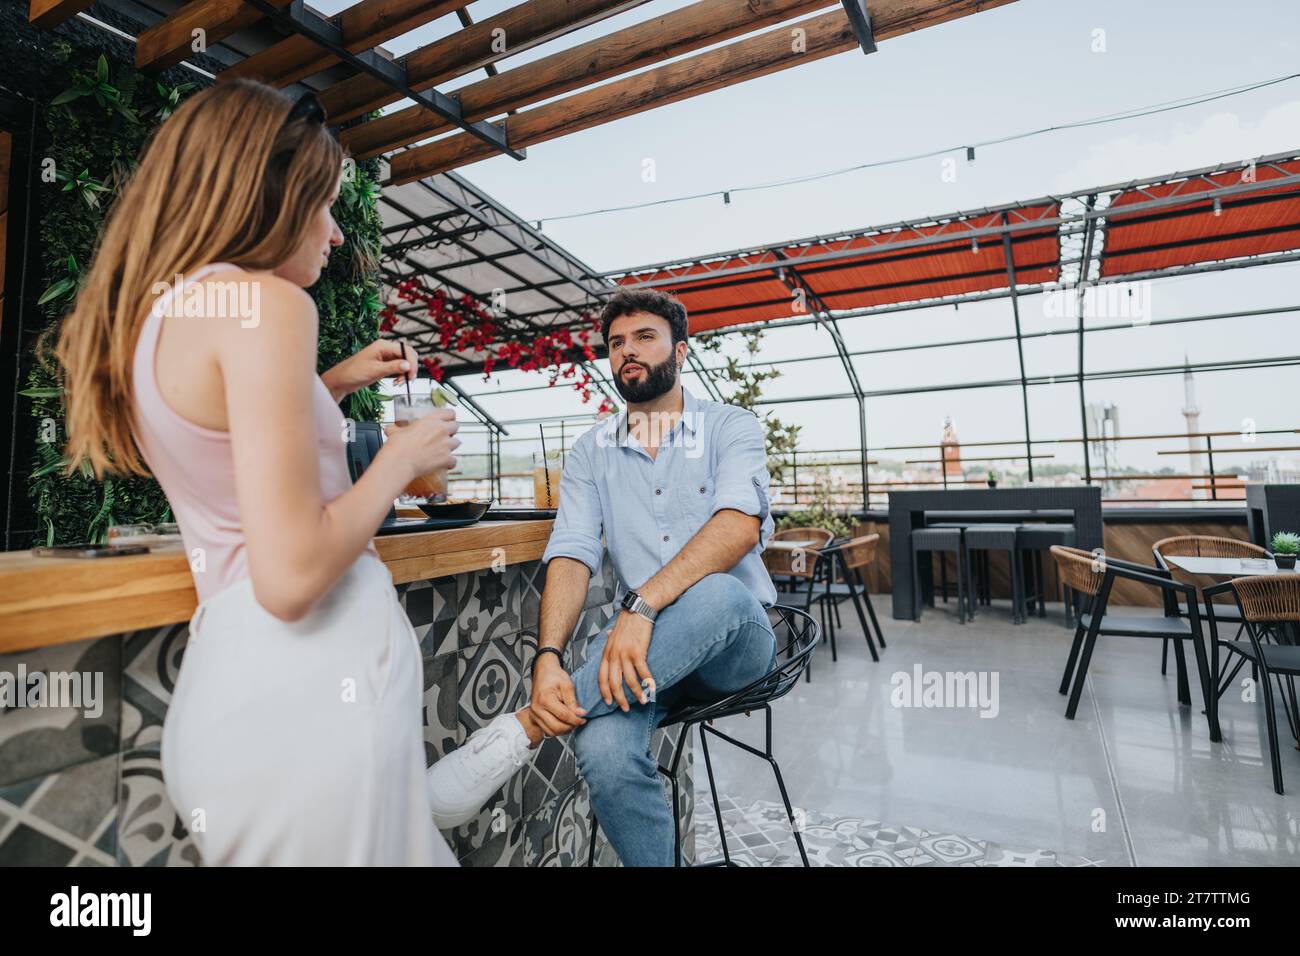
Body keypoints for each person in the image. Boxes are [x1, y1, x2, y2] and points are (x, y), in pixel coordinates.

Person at [55, 79, 467, 864]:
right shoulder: (270, 306)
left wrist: (334, 382)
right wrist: (397, 463)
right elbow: (289, 574)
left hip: (246, 704)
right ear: (267, 194)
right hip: (310, 714)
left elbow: (226, 440)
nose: (338, 235)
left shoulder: (167, 318)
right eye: (324, 202)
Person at [425, 288, 779, 866]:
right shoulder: (591, 451)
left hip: (734, 642)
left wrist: (641, 608)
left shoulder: (729, 427)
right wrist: (546, 656)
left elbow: (738, 527)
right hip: (647, 665)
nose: (627, 352)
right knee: (603, 748)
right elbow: (571, 550)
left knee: (717, 590)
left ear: (681, 351)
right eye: (616, 343)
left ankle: (520, 730)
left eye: (644, 338)